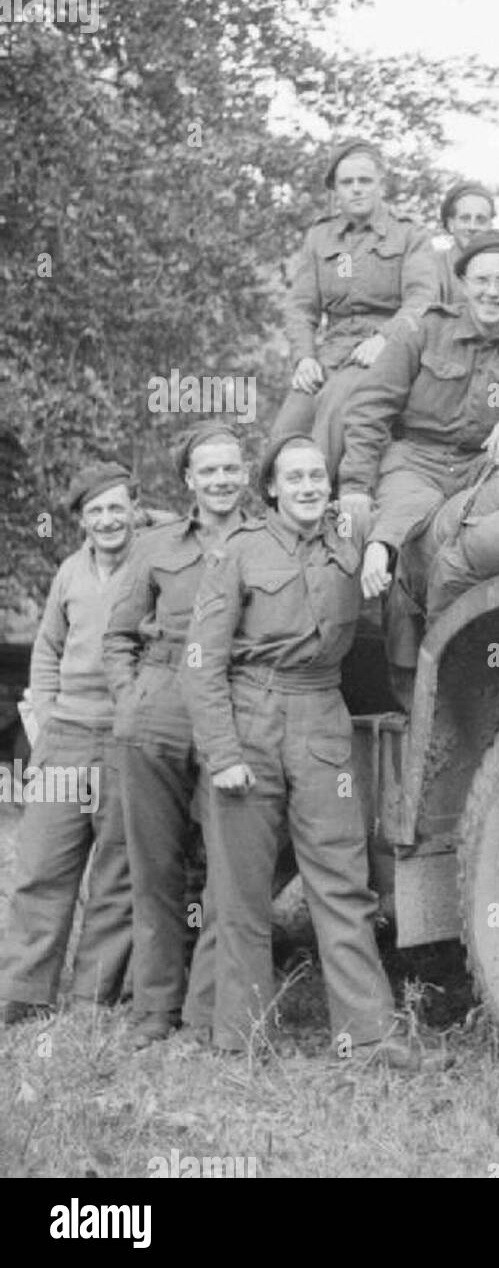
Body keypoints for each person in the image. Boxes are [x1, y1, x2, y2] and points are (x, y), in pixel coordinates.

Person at [180, 434, 417, 1067]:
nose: (311, 487)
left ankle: (368, 1035)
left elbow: (405, 503)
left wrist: (382, 545)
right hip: (250, 717)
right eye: (297, 478)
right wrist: (223, 752)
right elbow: (200, 662)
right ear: (274, 489)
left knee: (344, 881)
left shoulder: (349, 543)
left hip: (322, 719)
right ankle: (241, 1037)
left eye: (319, 477)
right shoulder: (239, 550)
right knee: (241, 890)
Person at [339, 231, 499, 667]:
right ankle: (407, 669)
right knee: (406, 524)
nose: (492, 292)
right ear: (462, 282)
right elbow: (369, 410)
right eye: (482, 280)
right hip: (417, 462)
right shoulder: (422, 330)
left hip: (482, 464)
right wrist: (356, 487)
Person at [102, 424, 253, 1048]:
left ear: (246, 474)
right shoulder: (156, 545)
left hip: (233, 711)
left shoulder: (268, 541)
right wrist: (132, 698)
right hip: (159, 706)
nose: (220, 480)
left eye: (230, 469)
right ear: (188, 480)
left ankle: (200, 1017)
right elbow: (117, 636)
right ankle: (152, 1009)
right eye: (207, 471)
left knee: (228, 873)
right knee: (154, 869)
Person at [0, 463, 140, 1024]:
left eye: (116, 507)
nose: (107, 520)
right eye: (95, 511)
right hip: (65, 737)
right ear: (82, 521)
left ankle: (93, 996)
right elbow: (47, 649)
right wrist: (49, 716)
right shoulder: (68, 573)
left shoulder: (152, 569)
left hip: (124, 739)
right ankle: (23, 989)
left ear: (135, 509)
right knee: (41, 865)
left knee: (116, 870)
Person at [275, 139, 440, 478]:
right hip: (332, 351)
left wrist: (385, 339)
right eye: (347, 183)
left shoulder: (410, 234)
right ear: (335, 190)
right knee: (287, 428)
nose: (356, 190)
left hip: (389, 351)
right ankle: (275, 517)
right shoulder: (320, 237)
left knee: (335, 404)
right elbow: (301, 307)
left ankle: (315, 499)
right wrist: (304, 357)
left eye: (365, 181)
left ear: (381, 184)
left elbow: (422, 299)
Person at [430, 180, 497, 305]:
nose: (472, 227)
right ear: (450, 224)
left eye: (480, 220)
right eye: (465, 219)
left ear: (490, 226)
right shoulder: (432, 265)